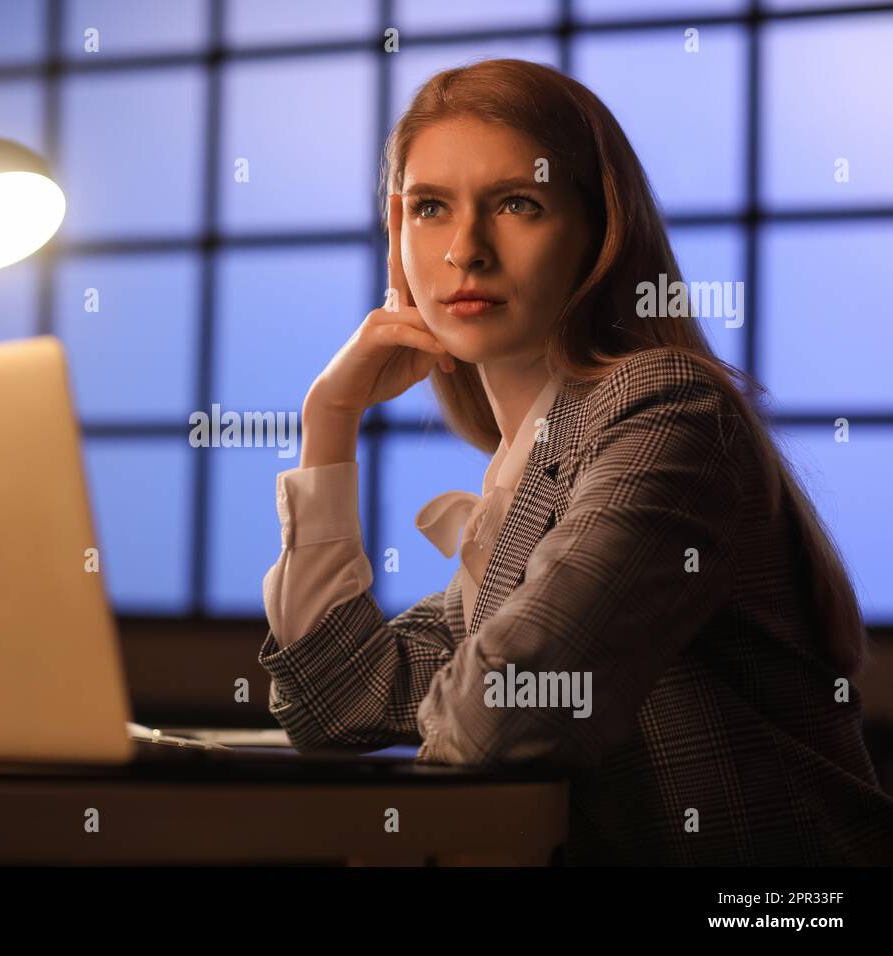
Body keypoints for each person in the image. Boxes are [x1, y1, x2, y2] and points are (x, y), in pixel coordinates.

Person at [258, 58, 893, 865]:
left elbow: (508, 717)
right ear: (396, 233)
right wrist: (329, 422)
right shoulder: (528, 472)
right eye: (430, 209)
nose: (466, 251)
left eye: (518, 204)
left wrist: (462, 694)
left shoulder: (666, 409)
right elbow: (336, 702)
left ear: (599, 232)